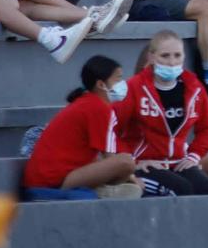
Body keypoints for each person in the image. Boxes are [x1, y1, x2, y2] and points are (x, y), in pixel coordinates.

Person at [116, 30, 208, 194]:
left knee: (207, 190)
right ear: (152, 58)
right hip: (149, 164)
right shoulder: (132, 88)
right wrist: (132, 161)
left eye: (177, 55)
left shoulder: (193, 87)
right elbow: (110, 129)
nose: (171, 62)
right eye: (165, 56)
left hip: (179, 162)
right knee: (183, 189)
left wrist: (194, 156)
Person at [22, 56, 144, 199]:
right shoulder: (99, 108)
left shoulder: (87, 103)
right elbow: (110, 158)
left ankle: (102, 189)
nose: (122, 84)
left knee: (114, 163)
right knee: (126, 162)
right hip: (53, 181)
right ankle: (103, 191)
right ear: (100, 84)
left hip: (46, 178)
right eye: (117, 79)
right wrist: (132, 177)